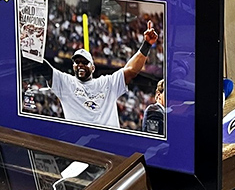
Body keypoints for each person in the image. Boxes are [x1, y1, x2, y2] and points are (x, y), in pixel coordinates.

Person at [30, 21, 158, 130]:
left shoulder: (107, 83)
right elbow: (45, 69)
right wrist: (29, 46)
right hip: (81, 147)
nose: (80, 65)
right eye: (77, 62)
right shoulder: (66, 82)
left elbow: (131, 70)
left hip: (109, 146)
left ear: (93, 67)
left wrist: (146, 45)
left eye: (85, 62)